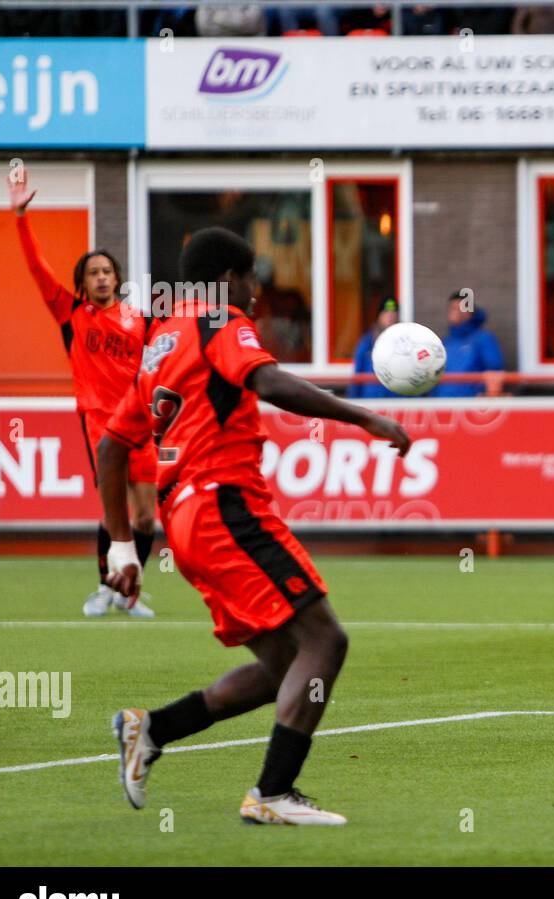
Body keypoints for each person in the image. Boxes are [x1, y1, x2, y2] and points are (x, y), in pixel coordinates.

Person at [99, 227, 411, 825]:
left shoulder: (160, 342)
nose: (258, 294)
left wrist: (122, 547)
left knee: (282, 667)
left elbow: (113, 450)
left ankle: (151, 729)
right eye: (251, 279)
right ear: (225, 281)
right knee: (325, 641)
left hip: (184, 522)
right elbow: (269, 381)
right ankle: (272, 794)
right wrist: (364, 416)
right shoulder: (220, 321)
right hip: (226, 509)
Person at [9, 166, 159, 620]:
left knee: (147, 518)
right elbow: (38, 269)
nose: (100, 278)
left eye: (107, 271)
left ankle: (128, 586)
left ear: (117, 279)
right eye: (92, 272)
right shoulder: (71, 313)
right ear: (82, 281)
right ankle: (104, 586)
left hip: (141, 424)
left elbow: (162, 365)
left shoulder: (140, 319)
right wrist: (20, 218)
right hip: (100, 423)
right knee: (113, 510)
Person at [429, 291, 505, 398]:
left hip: (469, 405)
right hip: (441, 405)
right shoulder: (446, 342)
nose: (454, 312)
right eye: (452, 308)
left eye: (458, 308)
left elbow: (494, 370)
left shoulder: (483, 339)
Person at [347, 296, 401, 399]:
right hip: (372, 401)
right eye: (385, 312)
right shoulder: (367, 342)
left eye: (394, 312)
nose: (390, 315)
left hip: (398, 402)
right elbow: (358, 374)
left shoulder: (407, 342)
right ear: (379, 315)